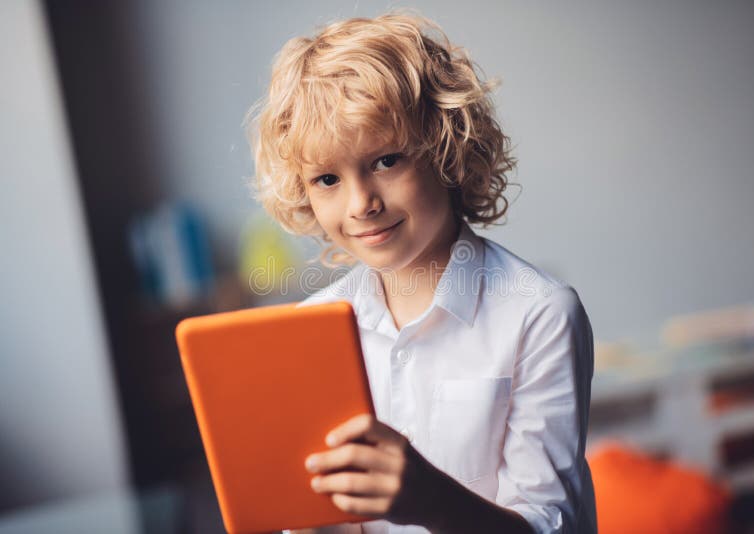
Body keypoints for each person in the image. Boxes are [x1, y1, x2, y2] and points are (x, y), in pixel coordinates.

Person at [247, 11, 596, 534]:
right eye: (326, 178)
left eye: (386, 161)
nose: (361, 203)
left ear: (447, 150)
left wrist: (431, 500)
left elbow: (552, 525)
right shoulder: (310, 328)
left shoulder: (538, 314)